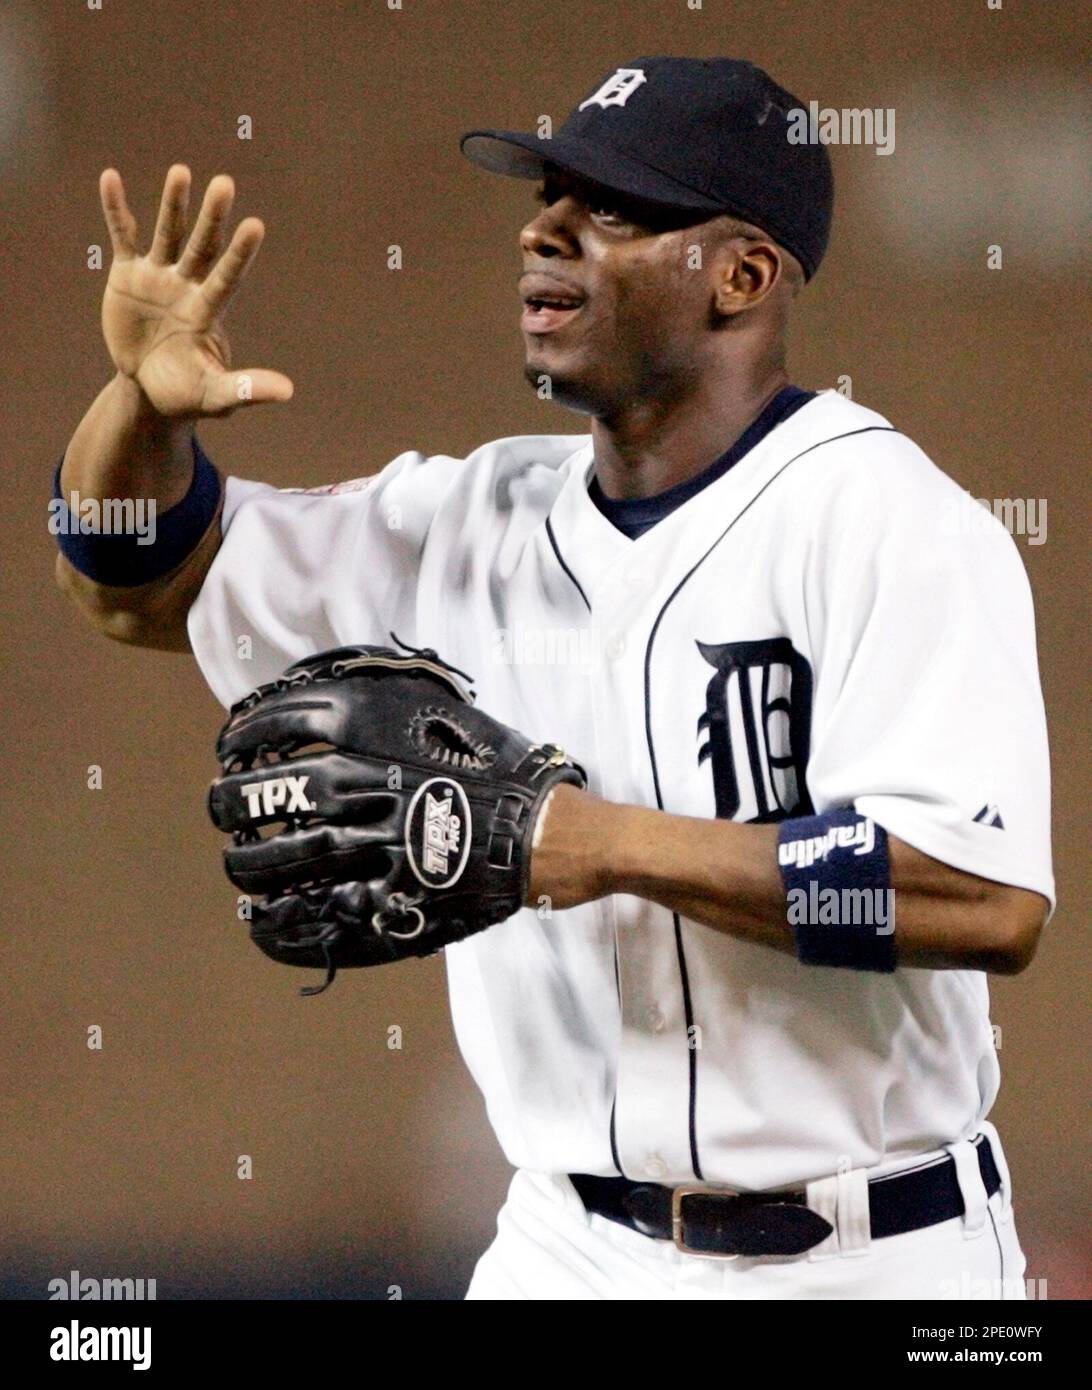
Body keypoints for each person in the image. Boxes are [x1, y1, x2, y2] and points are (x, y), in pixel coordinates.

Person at [55, 57, 1053, 1300]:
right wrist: (139, 415)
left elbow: (981, 897)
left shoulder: (884, 520)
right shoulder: (460, 516)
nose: (547, 228)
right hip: (566, 1246)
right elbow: (137, 583)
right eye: (550, 197)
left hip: (877, 1250)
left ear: (743, 273)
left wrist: (592, 841)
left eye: (615, 207)